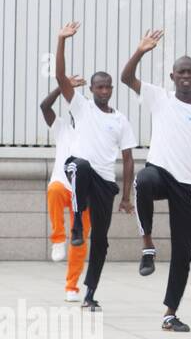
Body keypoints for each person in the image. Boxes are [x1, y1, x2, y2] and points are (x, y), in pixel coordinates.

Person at [120, 30, 191, 332]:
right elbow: (127, 78)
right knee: (143, 181)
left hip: (189, 185)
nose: (186, 76)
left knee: (184, 252)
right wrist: (140, 50)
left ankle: (170, 313)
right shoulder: (160, 98)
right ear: (173, 76)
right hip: (160, 171)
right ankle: (148, 245)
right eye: (181, 72)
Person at [54, 23, 136, 312]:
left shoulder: (121, 120)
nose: (103, 91)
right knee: (80, 165)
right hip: (80, 173)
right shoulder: (82, 107)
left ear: (111, 89)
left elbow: (128, 160)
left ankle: (90, 294)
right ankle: (76, 223)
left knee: (100, 240)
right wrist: (62, 40)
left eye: (107, 86)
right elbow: (60, 76)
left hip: (104, 184)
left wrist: (126, 197)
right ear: (91, 89)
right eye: (98, 86)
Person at [41, 77, 87, 300]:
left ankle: (72, 286)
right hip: (62, 185)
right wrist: (63, 86)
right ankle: (58, 239)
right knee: (55, 190)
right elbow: (44, 106)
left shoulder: (94, 134)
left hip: (84, 193)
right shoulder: (62, 129)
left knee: (80, 239)